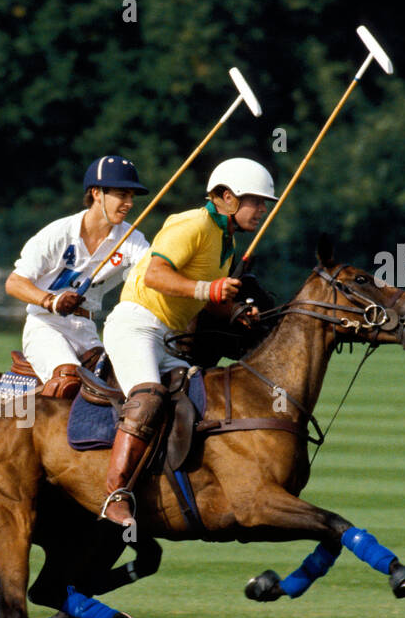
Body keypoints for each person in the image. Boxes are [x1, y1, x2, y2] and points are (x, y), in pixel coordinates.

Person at [99, 157, 278, 527]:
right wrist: (209, 288)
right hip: (135, 324)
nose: (262, 209)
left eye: (264, 203)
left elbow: (205, 302)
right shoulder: (192, 223)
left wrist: (233, 313)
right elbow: (155, 274)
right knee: (148, 398)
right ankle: (115, 493)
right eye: (256, 201)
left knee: (198, 400)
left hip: (168, 336)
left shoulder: (225, 242)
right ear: (225, 197)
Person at [5, 156, 151, 396]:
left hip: (86, 329)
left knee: (116, 385)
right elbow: (14, 283)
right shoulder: (58, 234)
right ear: (96, 193)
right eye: (122, 195)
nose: (129, 204)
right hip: (45, 325)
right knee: (68, 379)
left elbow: (152, 272)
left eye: (131, 197)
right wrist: (50, 301)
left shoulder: (131, 239)